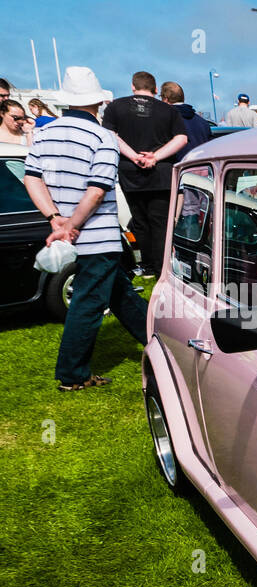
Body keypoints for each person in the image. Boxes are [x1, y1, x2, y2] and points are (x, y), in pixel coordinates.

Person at [24, 66, 148, 391]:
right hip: (96, 235)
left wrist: (55, 219)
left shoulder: (44, 133)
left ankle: (156, 337)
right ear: (98, 103)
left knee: (120, 291)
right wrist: (71, 225)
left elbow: (31, 177)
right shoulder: (103, 136)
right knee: (89, 302)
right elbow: (96, 191)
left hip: (66, 231)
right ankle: (73, 374)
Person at [101, 72, 187, 277]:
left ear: (133, 87)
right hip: (161, 172)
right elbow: (182, 138)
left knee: (140, 220)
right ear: (155, 90)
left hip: (130, 173)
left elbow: (110, 135)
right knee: (161, 223)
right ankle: (162, 267)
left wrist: (133, 156)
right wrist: (155, 157)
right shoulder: (168, 110)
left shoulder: (115, 107)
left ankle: (148, 264)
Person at [159, 81, 210, 162]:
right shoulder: (203, 122)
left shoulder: (164, 121)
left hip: (179, 169)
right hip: (203, 169)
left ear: (165, 99)